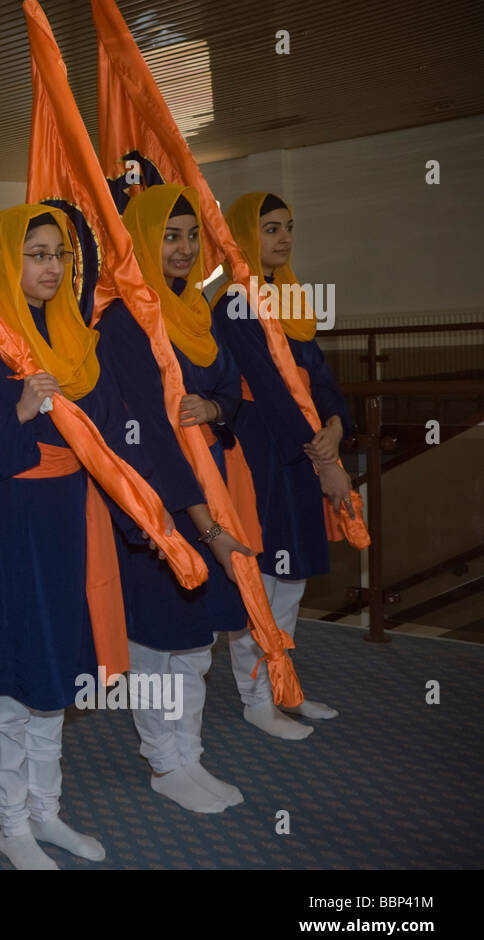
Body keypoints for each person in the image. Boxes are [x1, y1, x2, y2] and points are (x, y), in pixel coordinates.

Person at [0, 204, 195, 868]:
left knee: (56, 676)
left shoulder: (80, 338)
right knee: (12, 679)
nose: (51, 267)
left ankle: (46, 812)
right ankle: (11, 823)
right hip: (10, 523)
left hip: (72, 520)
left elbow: (109, 428)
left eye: (59, 254)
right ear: (3, 263)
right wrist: (23, 413)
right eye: (36, 255)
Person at [112, 184, 255, 812]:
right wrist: (202, 525)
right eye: (169, 236)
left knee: (197, 643)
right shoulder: (123, 320)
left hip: (209, 494)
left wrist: (213, 406)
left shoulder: (197, 311)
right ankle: (163, 762)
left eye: (192, 236)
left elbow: (230, 391)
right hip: (158, 502)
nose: (184, 247)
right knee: (155, 641)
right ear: (142, 241)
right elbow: (146, 428)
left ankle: (190, 755)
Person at [211, 192, 352, 738]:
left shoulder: (288, 295)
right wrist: (325, 460)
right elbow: (270, 392)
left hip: (304, 447)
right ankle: (256, 698)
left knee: (291, 579)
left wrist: (337, 424)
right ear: (246, 234)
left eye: (288, 227)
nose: (283, 238)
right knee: (264, 574)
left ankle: (282, 685)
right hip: (263, 448)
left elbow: (319, 375)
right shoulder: (233, 303)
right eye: (270, 228)